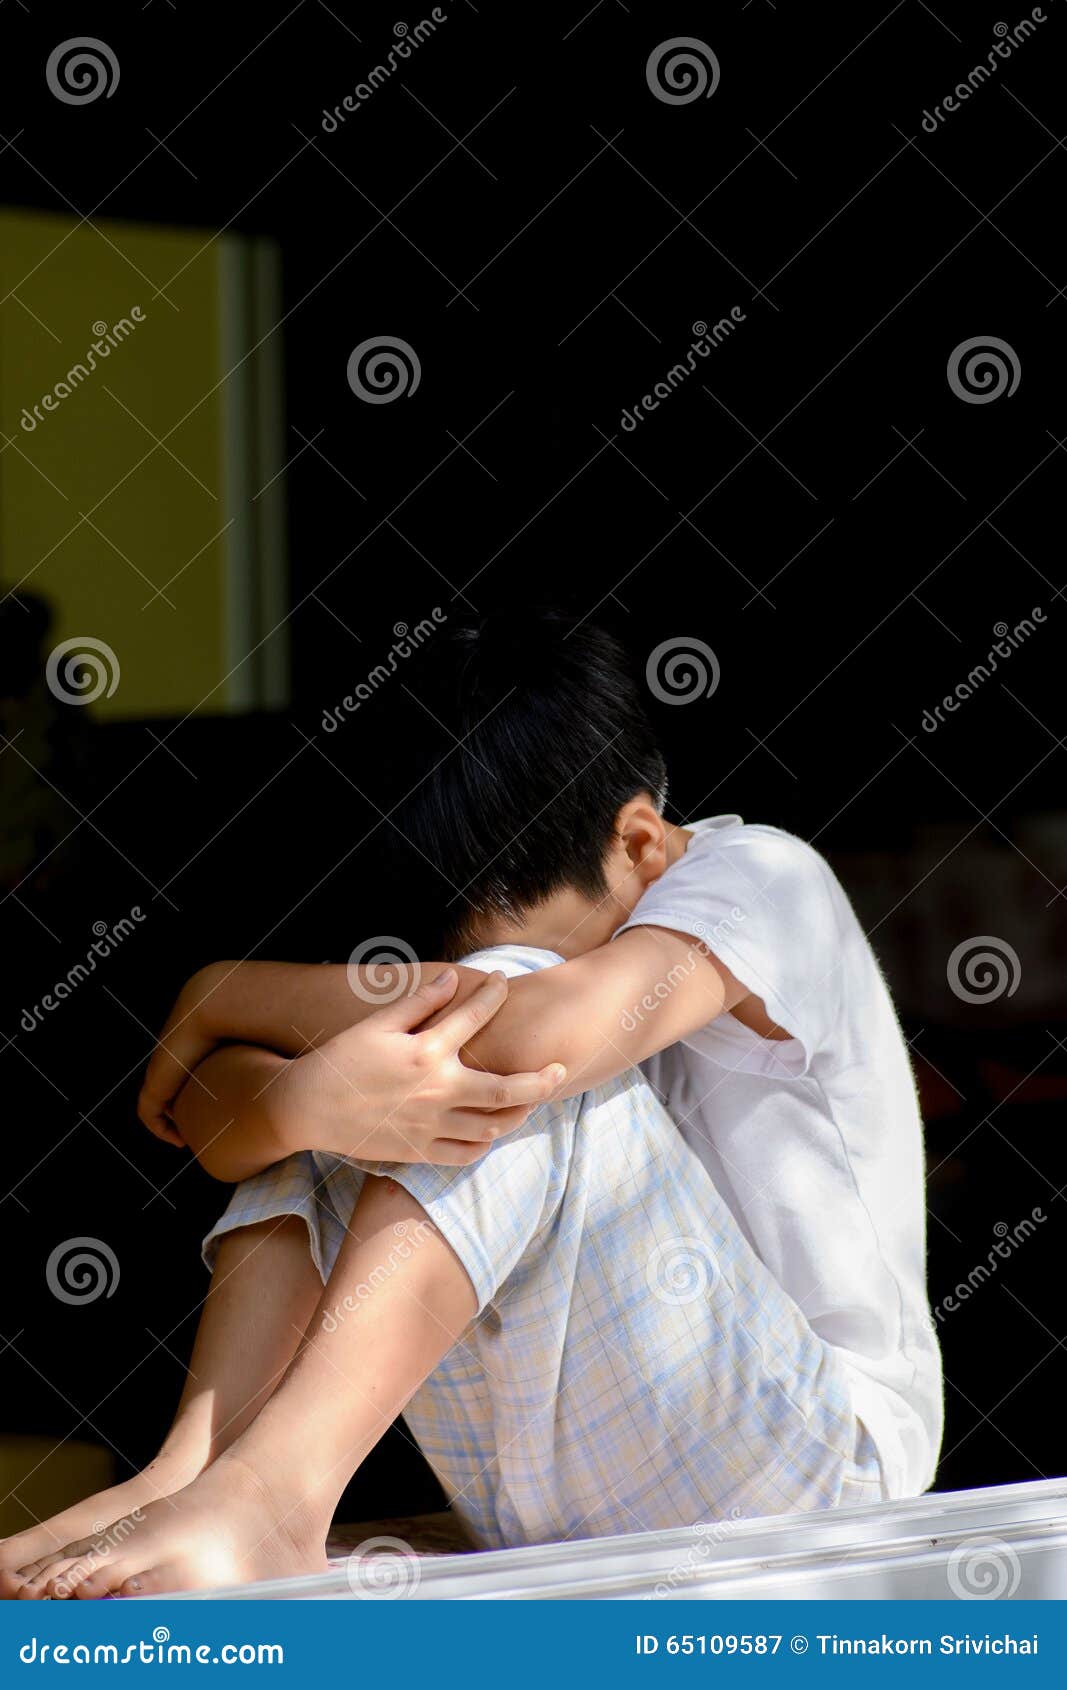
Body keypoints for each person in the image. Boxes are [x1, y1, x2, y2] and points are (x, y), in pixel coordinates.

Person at [1, 613, 941, 1598]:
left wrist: (225, 993)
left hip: (826, 1474)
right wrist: (303, 1096)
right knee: (373, 1075)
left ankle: (276, 1498)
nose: (480, 979)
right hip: (556, 1486)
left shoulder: (759, 876)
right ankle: (190, 1473)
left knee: (458, 1045)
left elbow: (531, 1030)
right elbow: (215, 1122)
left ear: (639, 840)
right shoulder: (499, 967)